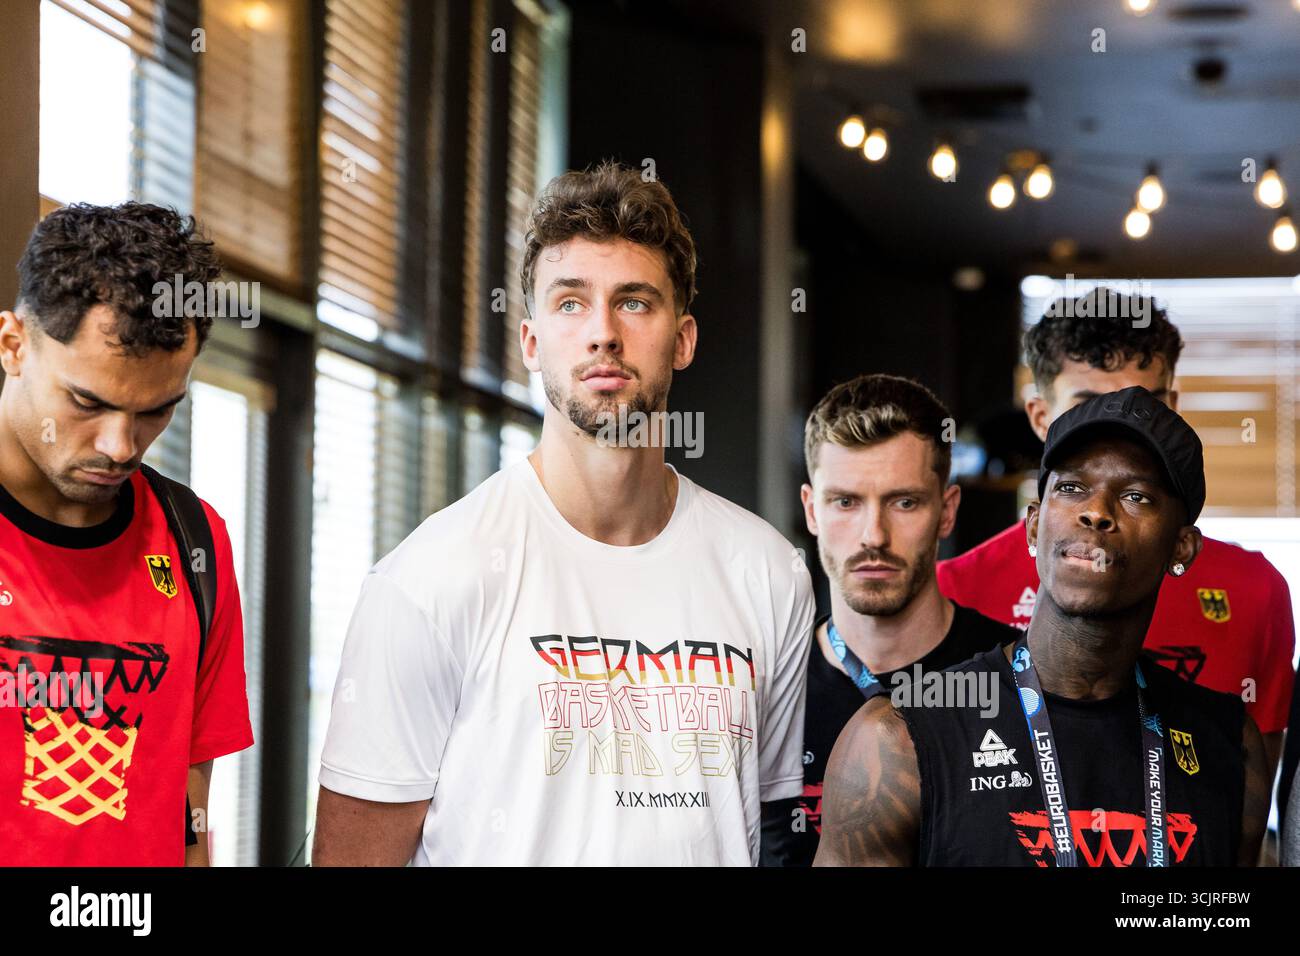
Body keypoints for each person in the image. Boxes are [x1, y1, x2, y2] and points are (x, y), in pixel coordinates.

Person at [312, 161, 815, 866]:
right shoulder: (430, 578)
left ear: (683, 338)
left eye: (635, 302)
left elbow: (769, 833)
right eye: (571, 303)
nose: (603, 332)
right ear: (530, 342)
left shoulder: (768, 572)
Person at [816, 386, 1271, 866]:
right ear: (1033, 526)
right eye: (1072, 488)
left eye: (1136, 495)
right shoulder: (899, 738)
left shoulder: (1230, 744)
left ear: (1182, 548)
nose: (1096, 512)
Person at [938, 289, 1294, 785]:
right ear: (1040, 416)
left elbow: (1249, 812)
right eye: (1088, 405)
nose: (1116, 422)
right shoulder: (955, 590)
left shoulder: (1256, 590)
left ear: (1172, 408)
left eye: (1142, 405)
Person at [0, 203, 254, 865]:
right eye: (88, 403)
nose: (120, 446)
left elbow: (188, 820)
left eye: (156, 410)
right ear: (13, 345)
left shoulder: (195, 542)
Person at [763, 374, 1016, 865]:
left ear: (946, 511)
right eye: (846, 502)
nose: (873, 535)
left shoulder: (1017, 681)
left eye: (904, 502)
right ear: (811, 511)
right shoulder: (762, 686)